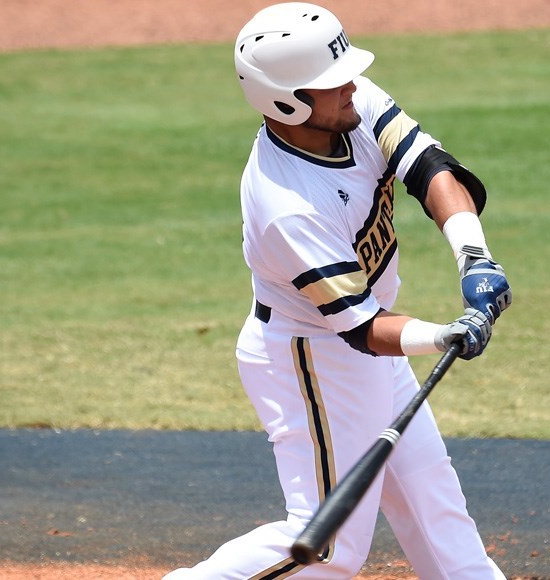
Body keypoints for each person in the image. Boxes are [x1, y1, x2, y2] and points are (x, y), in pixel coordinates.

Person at [164, 3, 512, 578]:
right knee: (328, 547)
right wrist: (445, 335)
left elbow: (429, 167)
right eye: (332, 80)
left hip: (371, 347)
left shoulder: (351, 104)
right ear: (287, 101)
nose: (351, 84)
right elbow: (362, 328)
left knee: (436, 510)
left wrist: (473, 255)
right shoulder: (288, 206)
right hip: (313, 361)